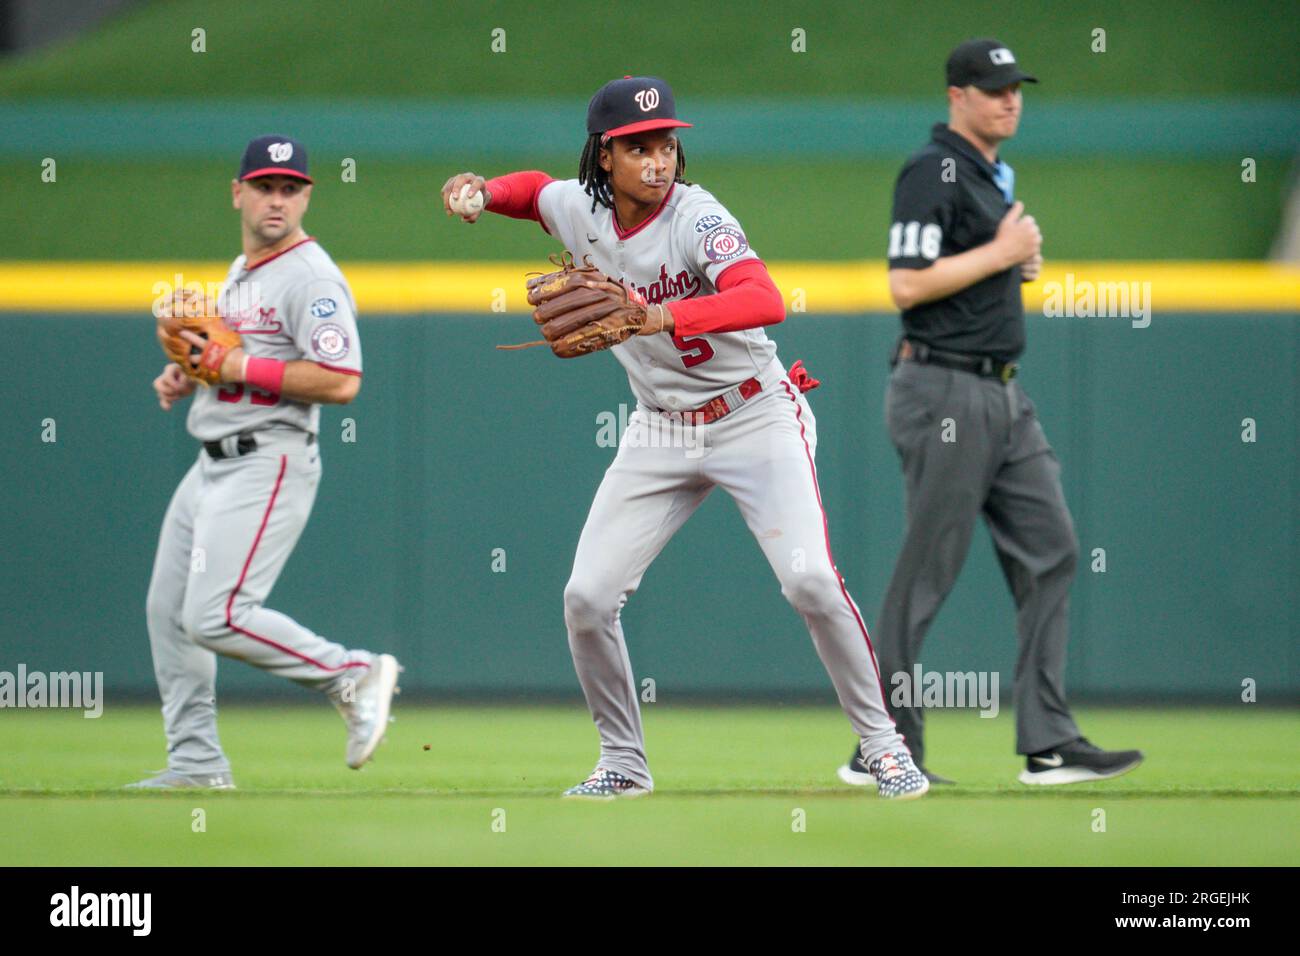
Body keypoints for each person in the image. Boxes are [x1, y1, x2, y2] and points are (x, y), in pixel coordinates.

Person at [441, 76, 927, 800]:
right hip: (659, 429)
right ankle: (623, 764)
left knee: (810, 580)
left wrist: (662, 318)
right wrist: (483, 191)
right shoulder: (581, 209)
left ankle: (885, 749)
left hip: (754, 413)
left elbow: (764, 298)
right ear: (606, 155)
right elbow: (536, 191)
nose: (659, 159)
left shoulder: (698, 217)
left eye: (666, 143)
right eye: (639, 147)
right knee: (587, 596)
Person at [837, 41, 1142, 787]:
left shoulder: (988, 174)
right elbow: (906, 285)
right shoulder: (931, 169)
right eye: (993, 88)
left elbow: (971, 268)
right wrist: (1003, 253)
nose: (1009, 100)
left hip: (1003, 393)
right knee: (927, 571)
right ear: (956, 95)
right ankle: (883, 748)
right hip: (942, 389)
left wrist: (1012, 263)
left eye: (1016, 88)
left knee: (1053, 546)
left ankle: (1048, 741)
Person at [130, 134, 400, 790]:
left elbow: (341, 380)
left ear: (307, 196)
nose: (277, 199)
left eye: (290, 188)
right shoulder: (243, 270)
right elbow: (226, 357)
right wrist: (188, 374)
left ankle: (352, 673)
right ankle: (196, 762)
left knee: (215, 614)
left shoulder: (311, 277)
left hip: (267, 459)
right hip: (212, 461)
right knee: (169, 613)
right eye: (264, 186)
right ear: (238, 193)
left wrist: (233, 366)